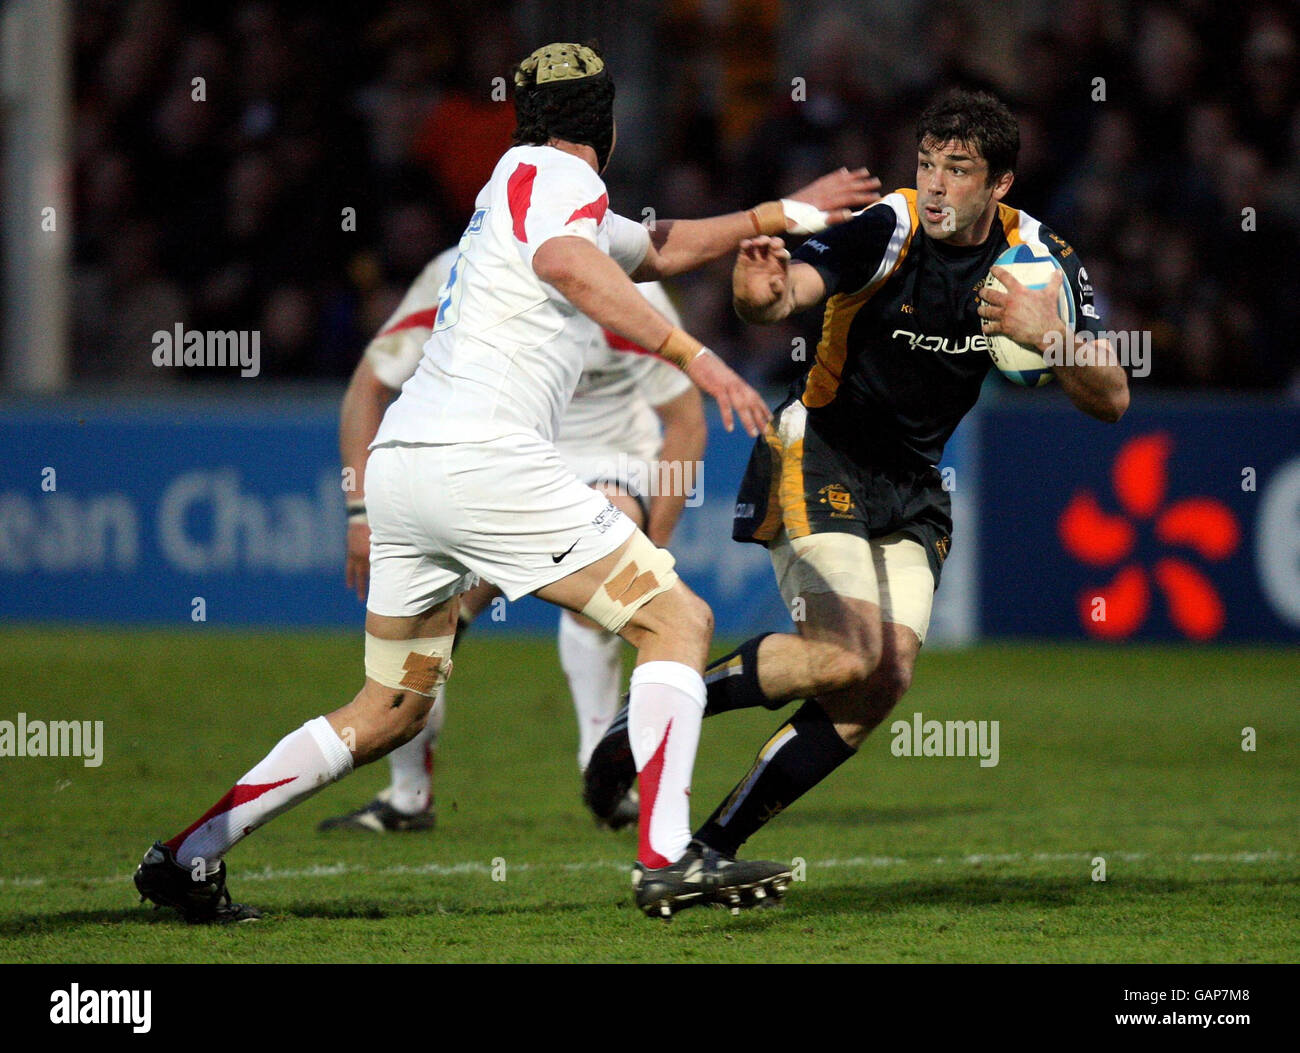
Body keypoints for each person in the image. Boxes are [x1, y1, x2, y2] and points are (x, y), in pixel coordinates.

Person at [133, 41, 880, 921]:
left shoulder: (521, 183)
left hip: (406, 464)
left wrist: (784, 210)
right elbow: (570, 264)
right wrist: (695, 354)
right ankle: (666, 852)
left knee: (389, 708)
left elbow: (661, 245)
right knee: (677, 617)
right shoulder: (561, 184)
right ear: (605, 121)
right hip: (482, 457)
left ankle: (187, 853)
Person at [583, 89, 1129, 866]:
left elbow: (1113, 399)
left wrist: (1057, 339)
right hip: (820, 451)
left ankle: (709, 846)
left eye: (959, 170)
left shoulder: (1041, 263)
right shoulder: (891, 227)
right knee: (845, 654)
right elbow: (780, 296)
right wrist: (760, 288)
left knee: (883, 680)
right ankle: (652, 708)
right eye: (927, 164)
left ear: (1000, 184)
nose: (935, 185)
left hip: (912, 485)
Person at [319, 245, 705, 833]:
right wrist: (358, 513)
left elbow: (685, 417)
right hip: (503, 469)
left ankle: (599, 771)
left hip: (609, 458)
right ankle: (407, 797)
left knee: (606, 555)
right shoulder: (456, 274)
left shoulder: (616, 285)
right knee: (430, 622)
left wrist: (655, 540)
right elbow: (368, 386)